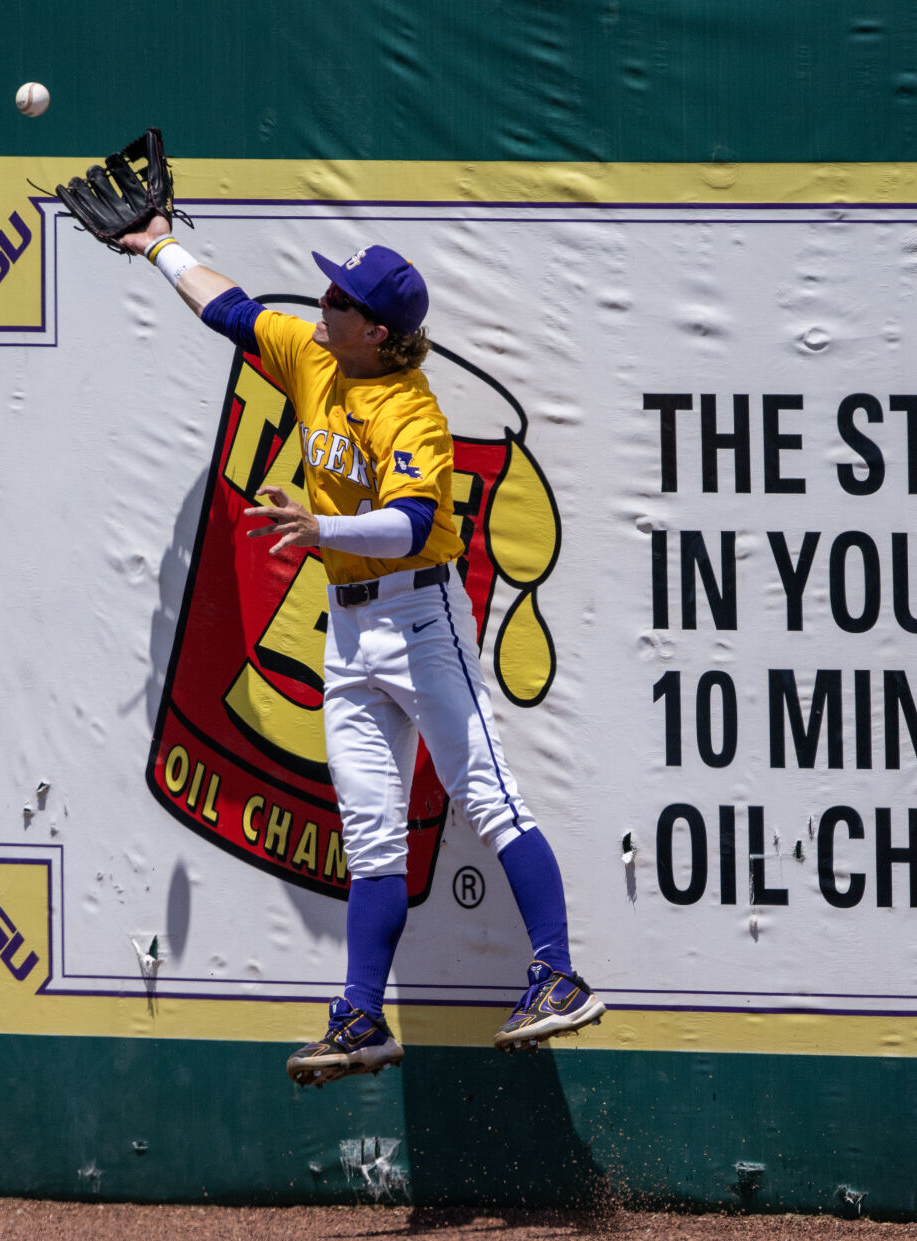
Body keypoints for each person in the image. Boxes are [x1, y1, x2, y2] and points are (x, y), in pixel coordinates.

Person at [114, 214, 605, 1085]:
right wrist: (158, 243)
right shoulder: (314, 354)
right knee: (371, 837)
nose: (323, 302)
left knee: (487, 796)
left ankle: (559, 976)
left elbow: (415, 520)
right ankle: (361, 1018)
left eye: (338, 297)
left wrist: (321, 524)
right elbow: (226, 308)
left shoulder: (409, 408)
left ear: (376, 331)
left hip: (422, 620)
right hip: (348, 630)